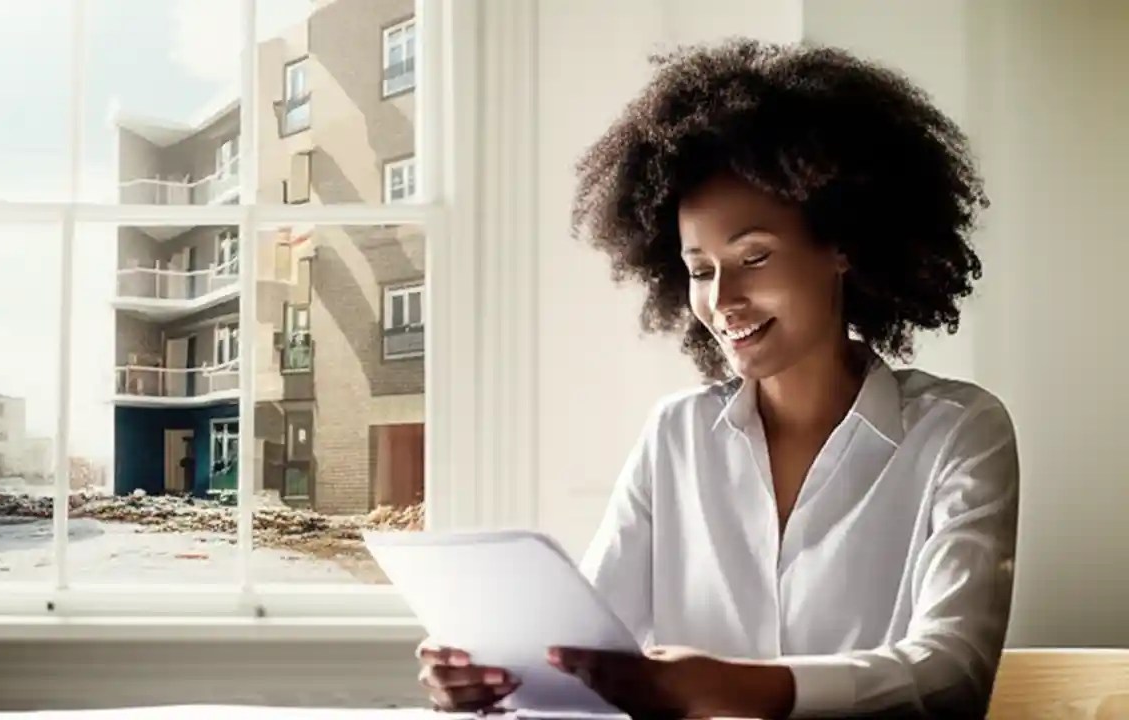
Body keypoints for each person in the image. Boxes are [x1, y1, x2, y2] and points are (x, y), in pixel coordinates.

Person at [417, 39, 1019, 719]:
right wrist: (494, 682)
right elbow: (583, 657)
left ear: (843, 245)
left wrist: (739, 688)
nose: (722, 300)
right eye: (700, 270)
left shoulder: (958, 432)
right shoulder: (676, 433)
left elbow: (952, 672)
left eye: (753, 256)